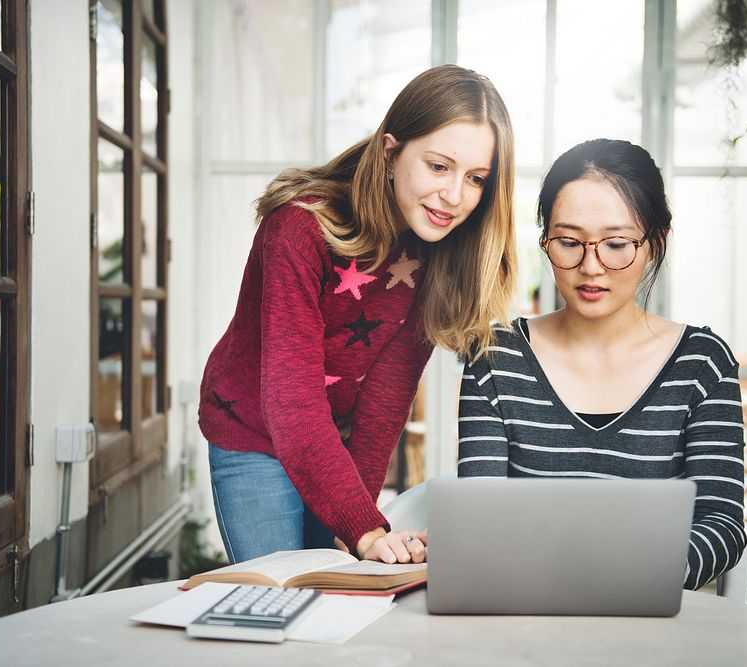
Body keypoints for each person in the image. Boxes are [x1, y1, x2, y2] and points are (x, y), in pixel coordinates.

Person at [199, 65, 516, 565]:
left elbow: (385, 401)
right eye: (438, 166)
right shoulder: (298, 229)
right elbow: (293, 402)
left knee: (338, 583)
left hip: (334, 443)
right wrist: (367, 528)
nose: (455, 196)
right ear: (390, 152)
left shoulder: (440, 251)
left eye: (476, 178)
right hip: (255, 433)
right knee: (285, 592)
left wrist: (357, 526)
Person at [457, 138, 747, 590]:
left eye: (616, 244)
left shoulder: (701, 364)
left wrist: (638, 572)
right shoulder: (496, 357)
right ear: (545, 241)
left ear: (655, 243)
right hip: (525, 618)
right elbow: (478, 516)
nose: (591, 267)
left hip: (651, 618)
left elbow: (722, 523)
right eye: (569, 242)